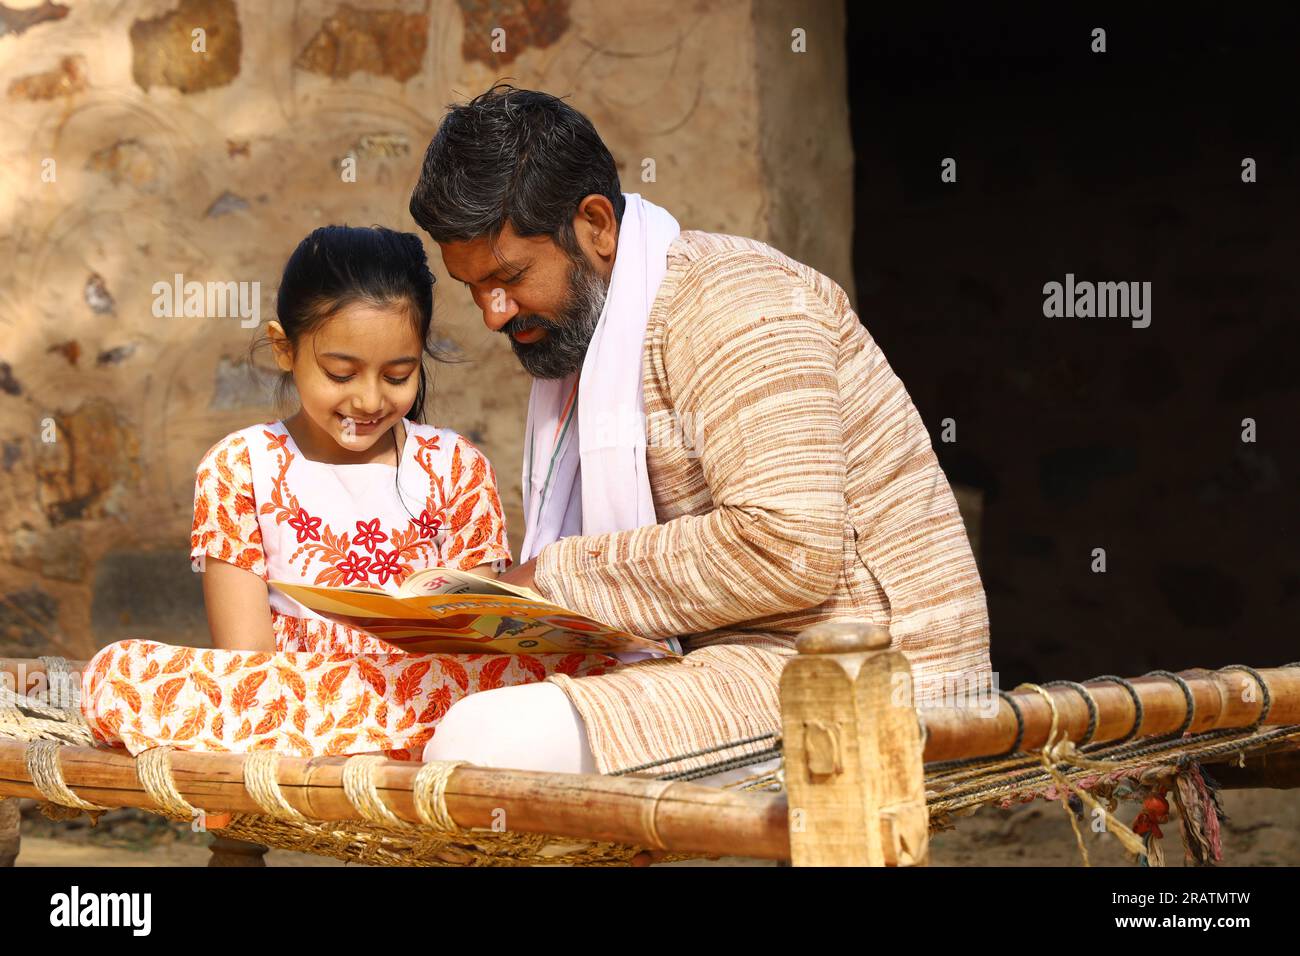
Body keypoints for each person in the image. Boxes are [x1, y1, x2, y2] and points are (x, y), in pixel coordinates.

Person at [407, 84, 994, 785]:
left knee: (482, 744)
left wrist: (550, 580)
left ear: (595, 223)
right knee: (421, 709)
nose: (492, 314)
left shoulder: (737, 300)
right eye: (472, 287)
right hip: (737, 660)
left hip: (862, 670)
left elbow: (789, 546)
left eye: (508, 278)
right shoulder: (595, 344)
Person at [79, 225, 618, 768]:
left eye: (398, 375)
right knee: (121, 673)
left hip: (434, 690)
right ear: (284, 349)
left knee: (585, 670)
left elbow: (478, 641)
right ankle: (388, 742)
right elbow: (247, 666)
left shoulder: (455, 466)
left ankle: (389, 738)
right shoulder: (240, 465)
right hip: (293, 697)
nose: (368, 399)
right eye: (341, 373)